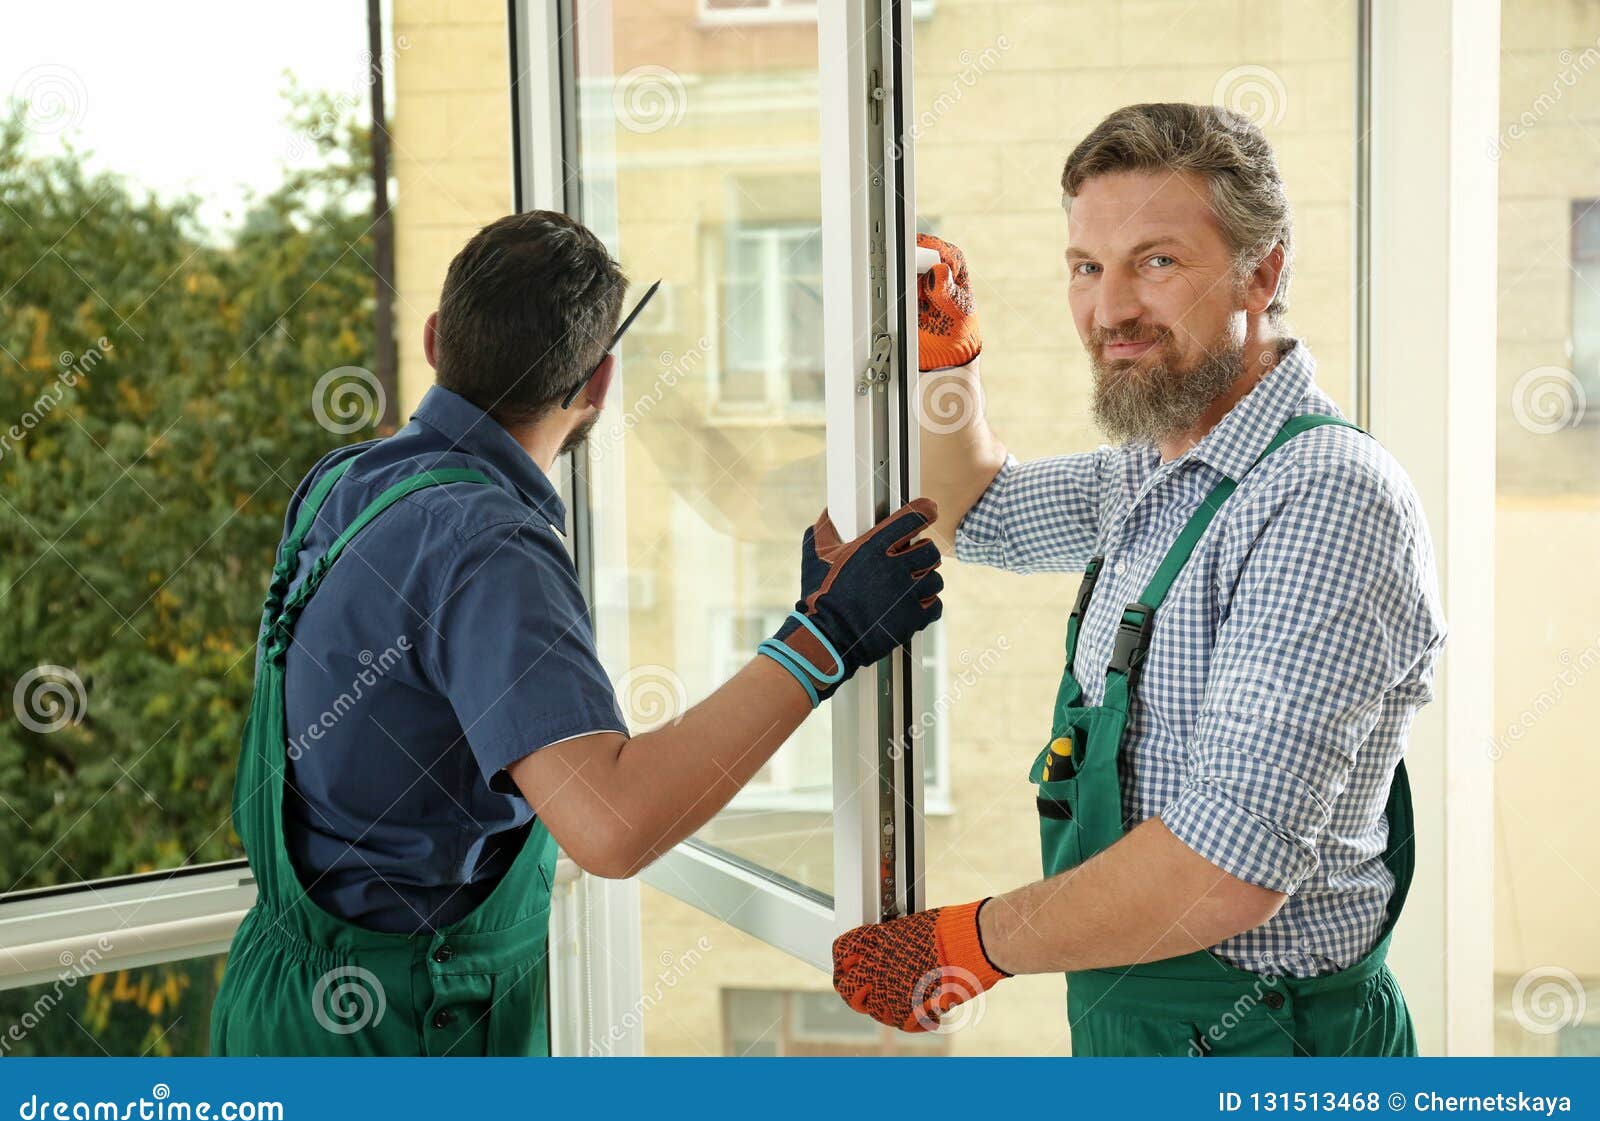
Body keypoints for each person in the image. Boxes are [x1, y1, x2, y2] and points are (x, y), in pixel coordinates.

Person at [210, 209, 944, 1056]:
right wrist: (827, 638)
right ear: (596, 387)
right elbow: (611, 824)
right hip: (391, 1036)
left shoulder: (347, 479)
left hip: (272, 1002)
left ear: (435, 340)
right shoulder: (485, 544)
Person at [831, 102, 1447, 1057]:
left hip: (1267, 1051)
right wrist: (947, 357)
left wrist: (964, 942)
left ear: (1263, 269)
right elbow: (976, 511)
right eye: (1088, 267)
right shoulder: (1161, 471)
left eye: (1155, 261)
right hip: (1145, 1032)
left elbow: (1225, 866)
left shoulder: (1327, 499)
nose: (1110, 309)